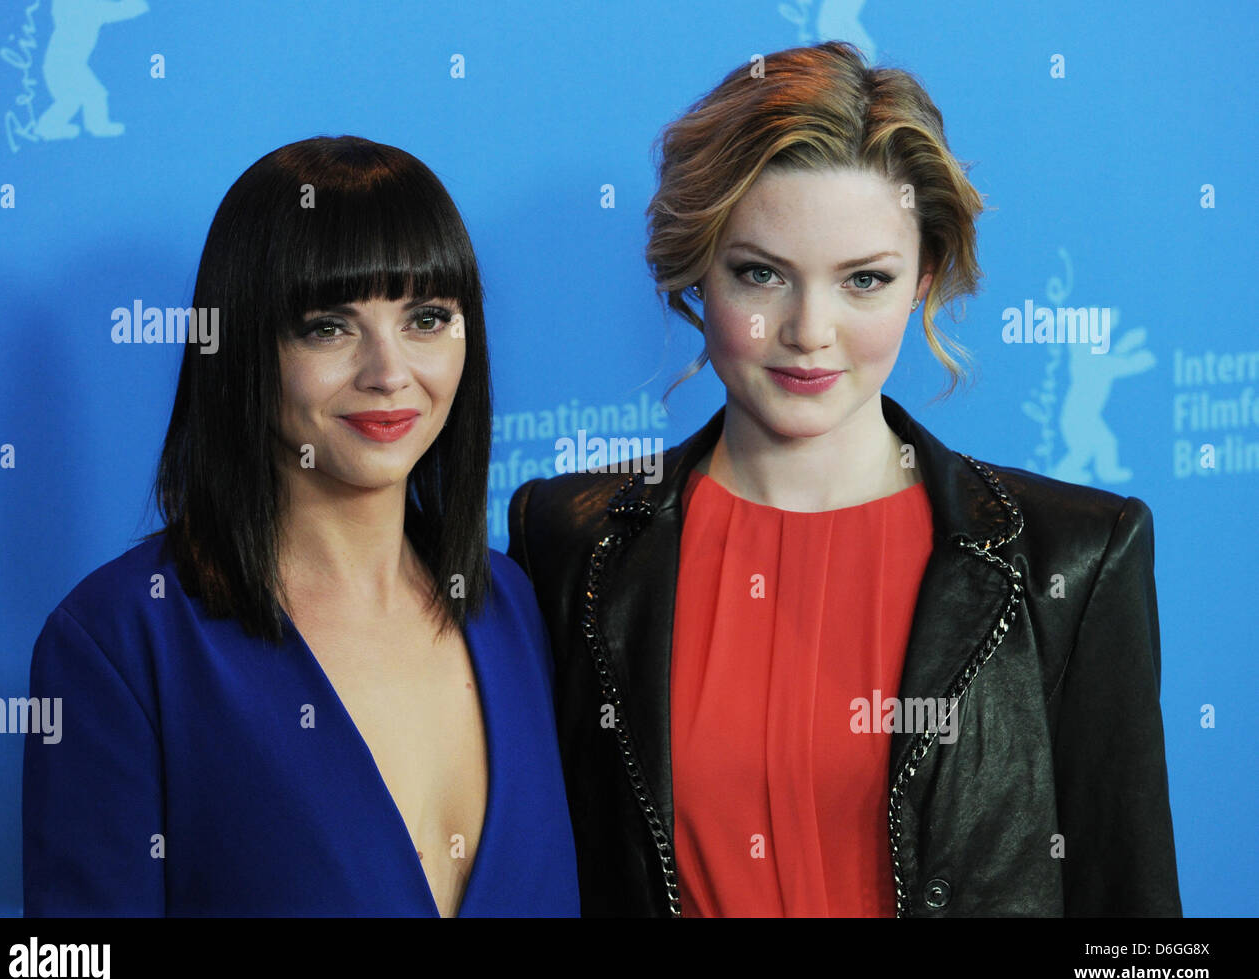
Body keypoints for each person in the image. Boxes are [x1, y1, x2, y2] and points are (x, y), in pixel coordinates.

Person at [506, 42, 1181, 917]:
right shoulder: (571, 540)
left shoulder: (1075, 554)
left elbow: (1142, 939)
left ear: (923, 280)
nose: (810, 330)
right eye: (760, 274)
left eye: (865, 279)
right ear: (694, 272)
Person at [23, 135, 579, 917]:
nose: (389, 372)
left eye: (425, 317)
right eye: (329, 326)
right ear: (243, 348)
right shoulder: (120, 642)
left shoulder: (513, 603)